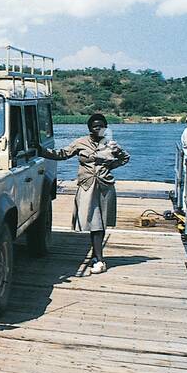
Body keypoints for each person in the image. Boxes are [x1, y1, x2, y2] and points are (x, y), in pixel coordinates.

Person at [38, 113, 131, 274]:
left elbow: (125, 158)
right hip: (87, 186)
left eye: (101, 126)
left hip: (105, 186)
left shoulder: (111, 144)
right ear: (89, 129)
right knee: (93, 222)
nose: (98, 129)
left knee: (100, 223)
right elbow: (62, 154)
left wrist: (110, 165)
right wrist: (40, 151)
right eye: (95, 126)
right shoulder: (81, 143)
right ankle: (99, 259)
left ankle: (98, 259)